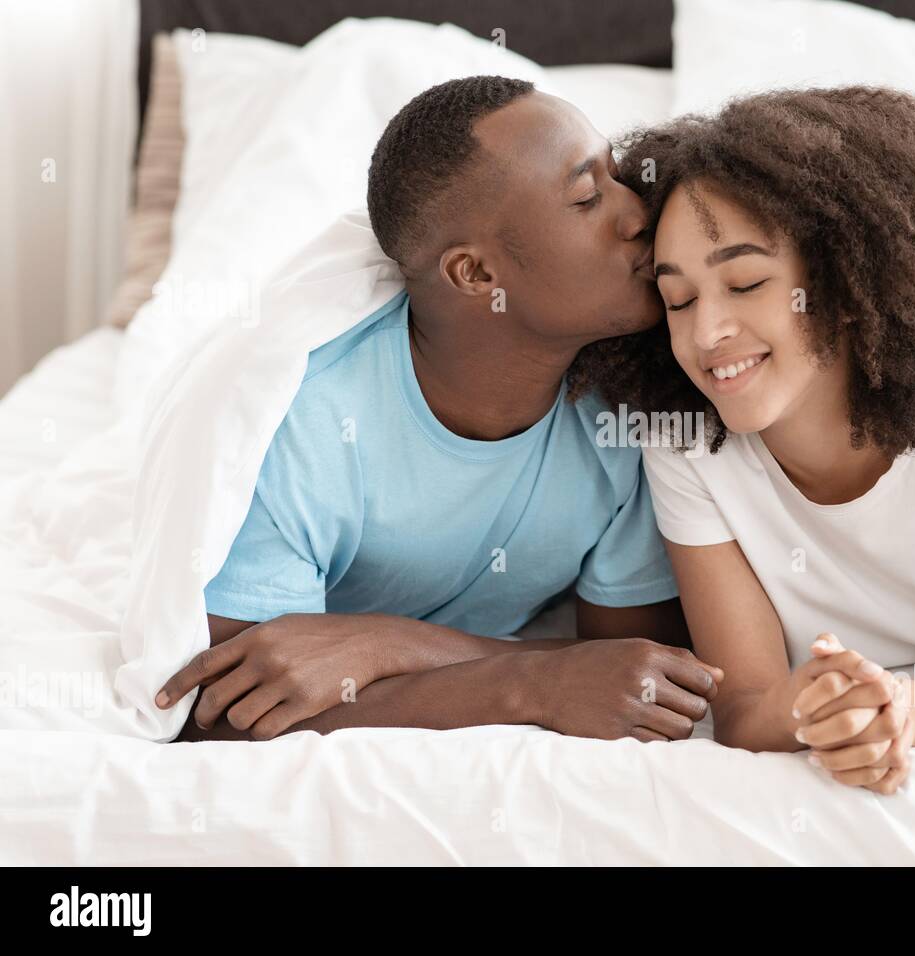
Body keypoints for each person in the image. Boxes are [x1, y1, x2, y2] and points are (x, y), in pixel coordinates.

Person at [570, 86, 915, 795]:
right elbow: (745, 709)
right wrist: (822, 710)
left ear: (843, 281)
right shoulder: (688, 445)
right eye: (678, 299)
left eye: (745, 282)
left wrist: (897, 708)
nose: (706, 334)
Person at [156, 76, 725, 743]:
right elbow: (222, 713)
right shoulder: (302, 425)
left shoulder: (631, 413)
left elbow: (628, 667)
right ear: (476, 276)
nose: (638, 214)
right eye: (587, 197)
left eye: (615, 175)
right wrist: (530, 683)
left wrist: (383, 644)